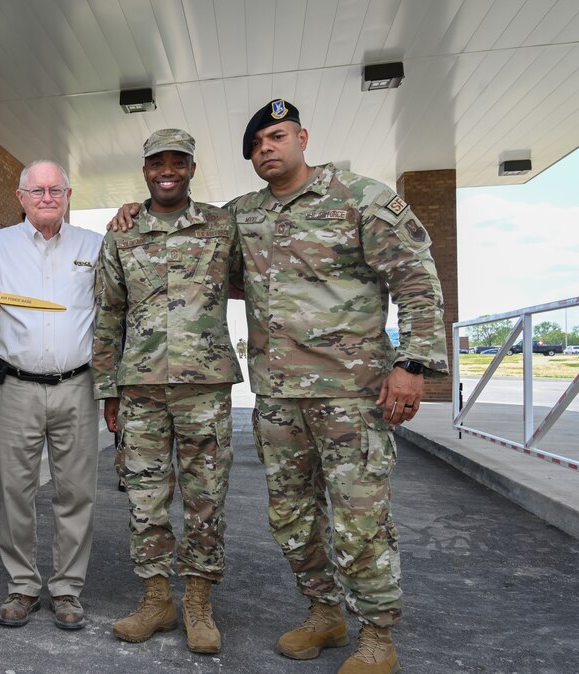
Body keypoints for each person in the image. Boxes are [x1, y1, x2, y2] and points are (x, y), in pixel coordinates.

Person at [111, 100, 448, 674]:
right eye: (257, 145)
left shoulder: (361, 198)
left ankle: (377, 636)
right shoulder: (242, 215)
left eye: (277, 136)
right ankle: (323, 612)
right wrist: (136, 212)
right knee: (290, 515)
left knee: (360, 517)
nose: (267, 149)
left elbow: (416, 278)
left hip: (352, 392)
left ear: (302, 138)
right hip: (277, 395)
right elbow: (192, 246)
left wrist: (412, 364)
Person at [92, 129, 242, 654]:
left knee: (206, 497)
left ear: (193, 169)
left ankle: (198, 602)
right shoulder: (121, 237)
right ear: (145, 170)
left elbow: (252, 279)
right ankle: (156, 598)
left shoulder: (224, 225)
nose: (168, 171)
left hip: (204, 385)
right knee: (145, 497)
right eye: (158, 163)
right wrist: (107, 389)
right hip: (140, 389)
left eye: (179, 162)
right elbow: (108, 315)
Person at [0, 160, 103, 631]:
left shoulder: (95, 248)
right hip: (13, 387)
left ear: (68, 195)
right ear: (20, 197)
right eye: (36, 190)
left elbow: (110, 317)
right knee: (15, 492)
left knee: (76, 493)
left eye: (55, 190)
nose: (47, 197)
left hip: (77, 387)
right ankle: (22, 586)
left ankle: (67, 591)